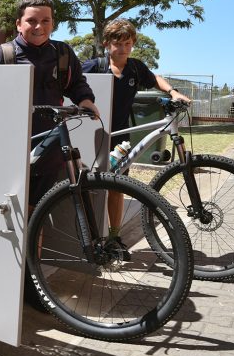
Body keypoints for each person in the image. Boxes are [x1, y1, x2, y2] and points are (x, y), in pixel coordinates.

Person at [82, 18, 191, 259]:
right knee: (87, 186)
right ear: (106, 43)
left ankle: (114, 237)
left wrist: (172, 91)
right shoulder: (95, 66)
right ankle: (86, 238)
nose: (122, 49)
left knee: (117, 187)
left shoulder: (135, 68)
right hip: (93, 135)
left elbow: (155, 78)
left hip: (121, 137)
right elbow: (73, 86)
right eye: (117, 43)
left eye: (128, 44)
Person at [0, 0, 100, 208]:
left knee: (39, 209)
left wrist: (86, 100)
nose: (39, 27)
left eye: (45, 21)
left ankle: (35, 243)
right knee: (10, 207)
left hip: (50, 147)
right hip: (8, 147)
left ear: (53, 23)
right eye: (31, 21)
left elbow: (77, 83)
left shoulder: (63, 53)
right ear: (18, 24)